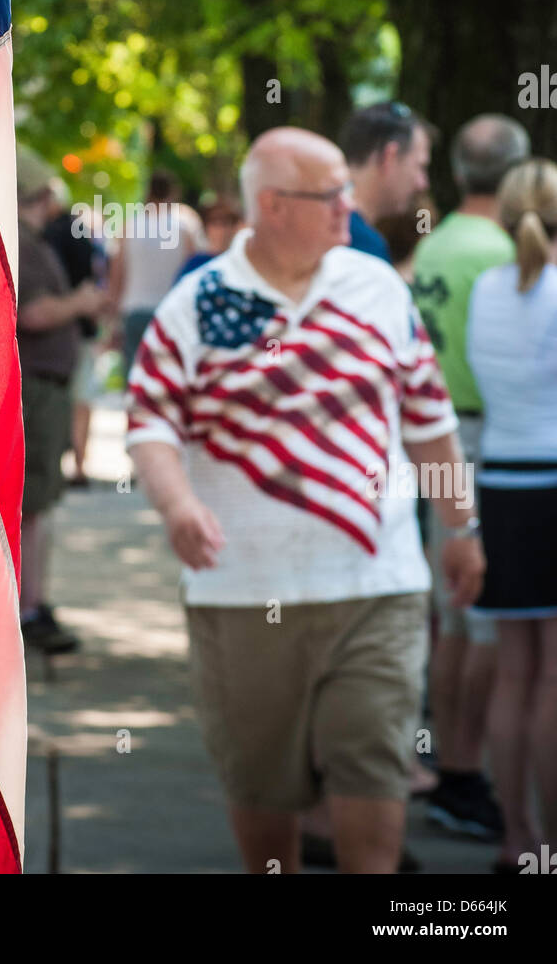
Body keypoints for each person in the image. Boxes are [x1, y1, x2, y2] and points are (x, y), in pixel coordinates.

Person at [127, 127, 484, 874]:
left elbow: (428, 421)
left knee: (374, 790)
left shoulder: (376, 286)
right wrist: (175, 504)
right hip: (242, 595)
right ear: (271, 205)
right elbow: (151, 423)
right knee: (264, 806)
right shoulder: (198, 303)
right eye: (329, 196)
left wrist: (459, 524)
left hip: (375, 589)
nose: (347, 209)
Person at [412, 115, 530, 841]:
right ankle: (467, 774)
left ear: (457, 170)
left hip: (436, 437)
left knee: (453, 618)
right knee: (484, 622)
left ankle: (454, 770)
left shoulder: (437, 242)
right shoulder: (499, 253)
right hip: (486, 440)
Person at [466, 157, 557, 871]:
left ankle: (514, 834)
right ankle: (549, 845)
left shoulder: (485, 289)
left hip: (499, 483)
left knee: (512, 670)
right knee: (552, 676)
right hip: (551, 484)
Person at [16, 146, 107, 653]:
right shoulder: (26, 245)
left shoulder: (32, 241)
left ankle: (32, 604)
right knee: (36, 503)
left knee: (40, 502)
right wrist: (82, 303)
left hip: (45, 385)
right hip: (38, 387)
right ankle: (29, 609)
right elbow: (32, 313)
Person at [108, 169, 202, 375]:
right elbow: (194, 269)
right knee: (168, 375)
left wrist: (111, 317)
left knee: (134, 376)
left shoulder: (131, 225)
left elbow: (117, 274)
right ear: (173, 192)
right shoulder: (185, 225)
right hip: (172, 312)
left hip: (134, 309)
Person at [44, 185, 108, 486]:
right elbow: (92, 287)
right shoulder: (78, 239)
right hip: (78, 331)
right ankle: (79, 465)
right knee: (81, 399)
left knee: (63, 399)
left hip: (52, 335)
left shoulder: (44, 237)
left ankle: (61, 464)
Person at [340, 100, 434, 262]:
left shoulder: (316, 225)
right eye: (420, 166)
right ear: (389, 157)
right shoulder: (364, 249)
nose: (422, 183)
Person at [175, 193, 244, 282]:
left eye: (225, 222)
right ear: (206, 226)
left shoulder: (240, 261)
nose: (220, 229)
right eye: (214, 222)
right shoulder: (195, 264)